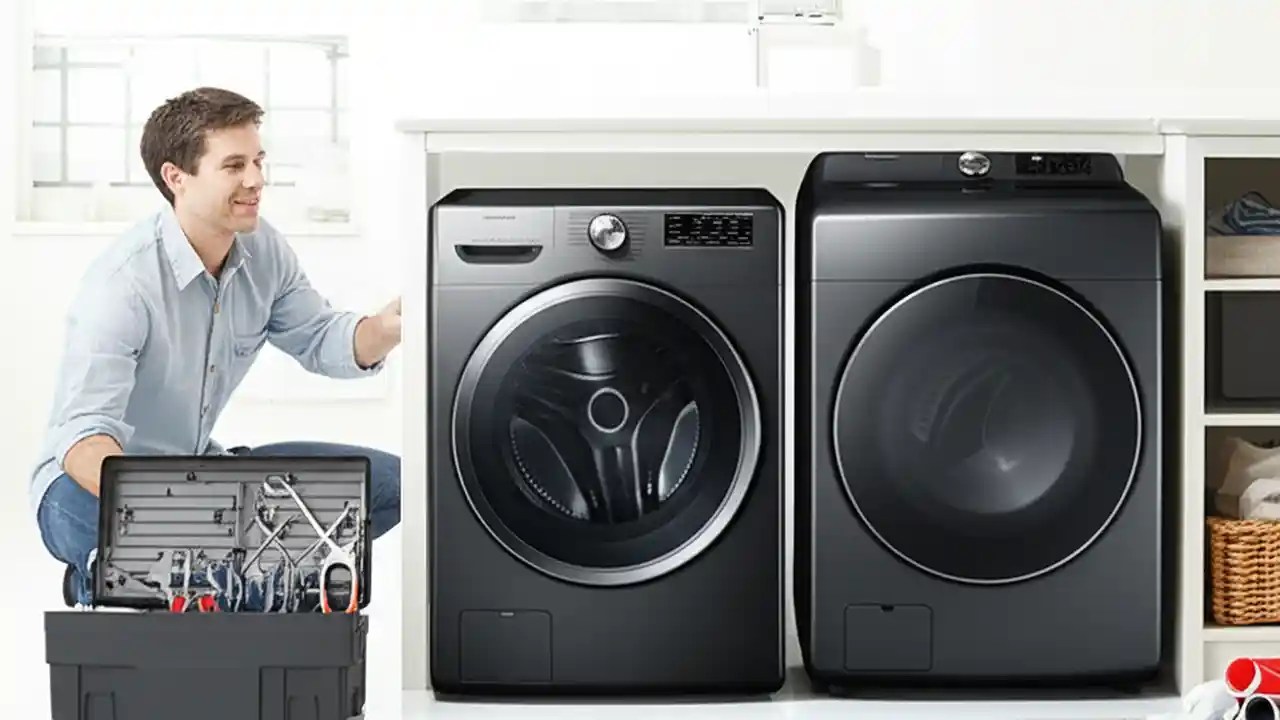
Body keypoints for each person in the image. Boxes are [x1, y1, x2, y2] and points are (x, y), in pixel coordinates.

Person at [28, 86, 402, 608]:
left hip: (202, 474)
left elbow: (320, 336)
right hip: (92, 488)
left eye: (257, 160)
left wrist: (389, 325)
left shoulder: (261, 248)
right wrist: (180, 512)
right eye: (233, 165)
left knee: (391, 483)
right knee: (156, 541)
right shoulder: (122, 285)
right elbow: (83, 440)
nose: (255, 180)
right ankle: (196, 577)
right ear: (175, 178)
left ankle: (172, 579)